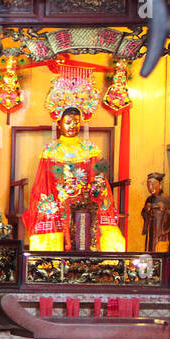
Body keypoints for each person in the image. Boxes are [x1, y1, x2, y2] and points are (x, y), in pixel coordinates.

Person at [22, 106, 123, 252]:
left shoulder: (89, 149)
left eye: (76, 122)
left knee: (100, 207)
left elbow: (97, 176)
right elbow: (44, 181)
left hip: (85, 198)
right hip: (58, 198)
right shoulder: (50, 151)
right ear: (59, 124)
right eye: (68, 122)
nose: (72, 126)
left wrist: (95, 188)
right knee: (49, 211)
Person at [140, 172, 170, 253]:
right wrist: (146, 210)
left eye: (153, 184)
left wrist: (165, 209)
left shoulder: (165, 199)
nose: (150, 187)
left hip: (161, 232)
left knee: (160, 249)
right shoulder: (149, 199)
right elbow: (143, 213)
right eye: (148, 185)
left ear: (160, 184)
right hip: (151, 230)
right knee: (150, 247)